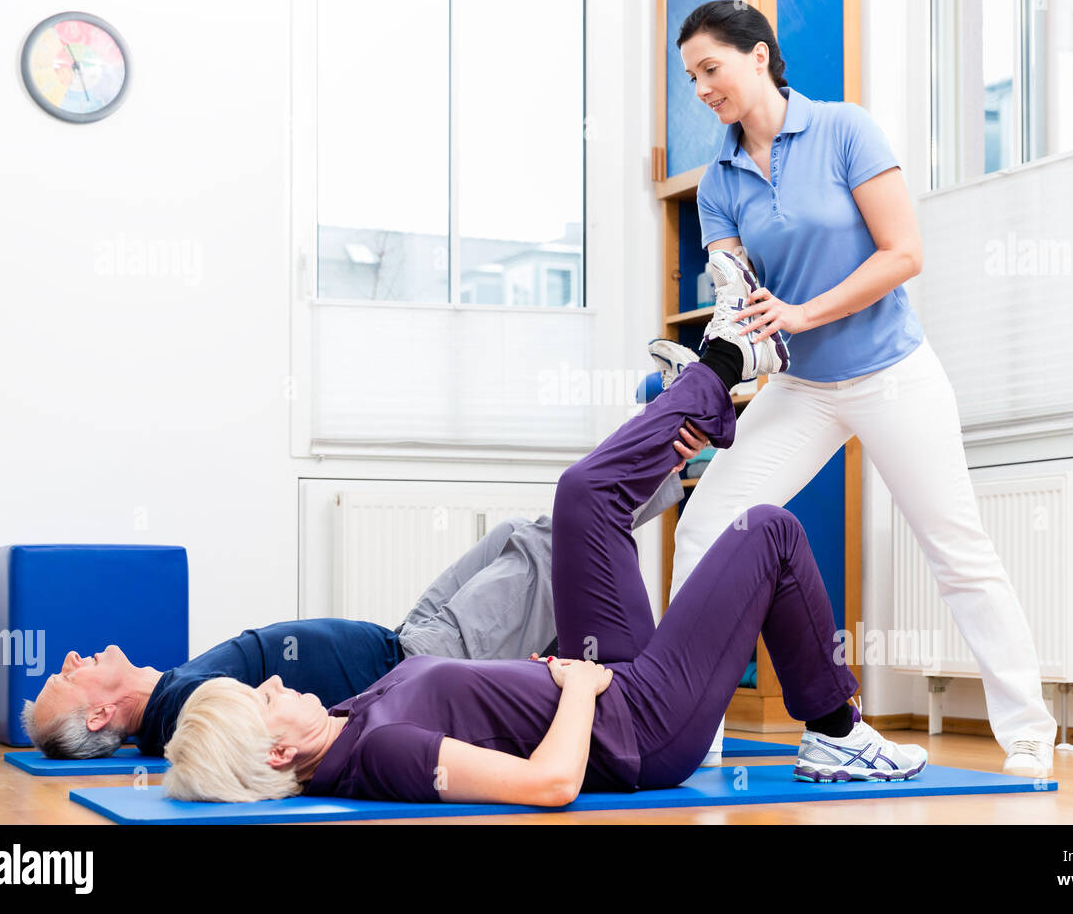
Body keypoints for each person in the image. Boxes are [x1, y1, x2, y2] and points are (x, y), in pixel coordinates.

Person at [162, 311, 927, 805]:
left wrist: (538, 676)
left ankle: (716, 375)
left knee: (582, 495)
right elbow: (550, 784)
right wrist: (574, 693)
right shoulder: (382, 754)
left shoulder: (341, 721)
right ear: (280, 748)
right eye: (261, 701)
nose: (268, 682)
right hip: (640, 726)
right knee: (767, 531)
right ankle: (837, 732)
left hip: (600, 682)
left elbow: (486, 715)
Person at [664, 0, 1057, 777]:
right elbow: (738, 297)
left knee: (958, 553)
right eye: (691, 77)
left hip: (892, 373)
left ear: (759, 56)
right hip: (804, 387)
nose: (702, 88)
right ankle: (687, 728)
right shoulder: (721, 181)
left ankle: (1027, 737)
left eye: (711, 69)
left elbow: (903, 253)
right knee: (702, 528)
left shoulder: (845, 129)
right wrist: (703, 392)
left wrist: (801, 310)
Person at [19, 477, 695, 761]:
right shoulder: (186, 716)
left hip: (401, 633)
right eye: (65, 678)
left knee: (525, 532)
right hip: (418, 666)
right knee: (555, 545)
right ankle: (675, 451)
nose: (71, 660)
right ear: (101, 716)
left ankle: (663, 452)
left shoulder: (175, 688)